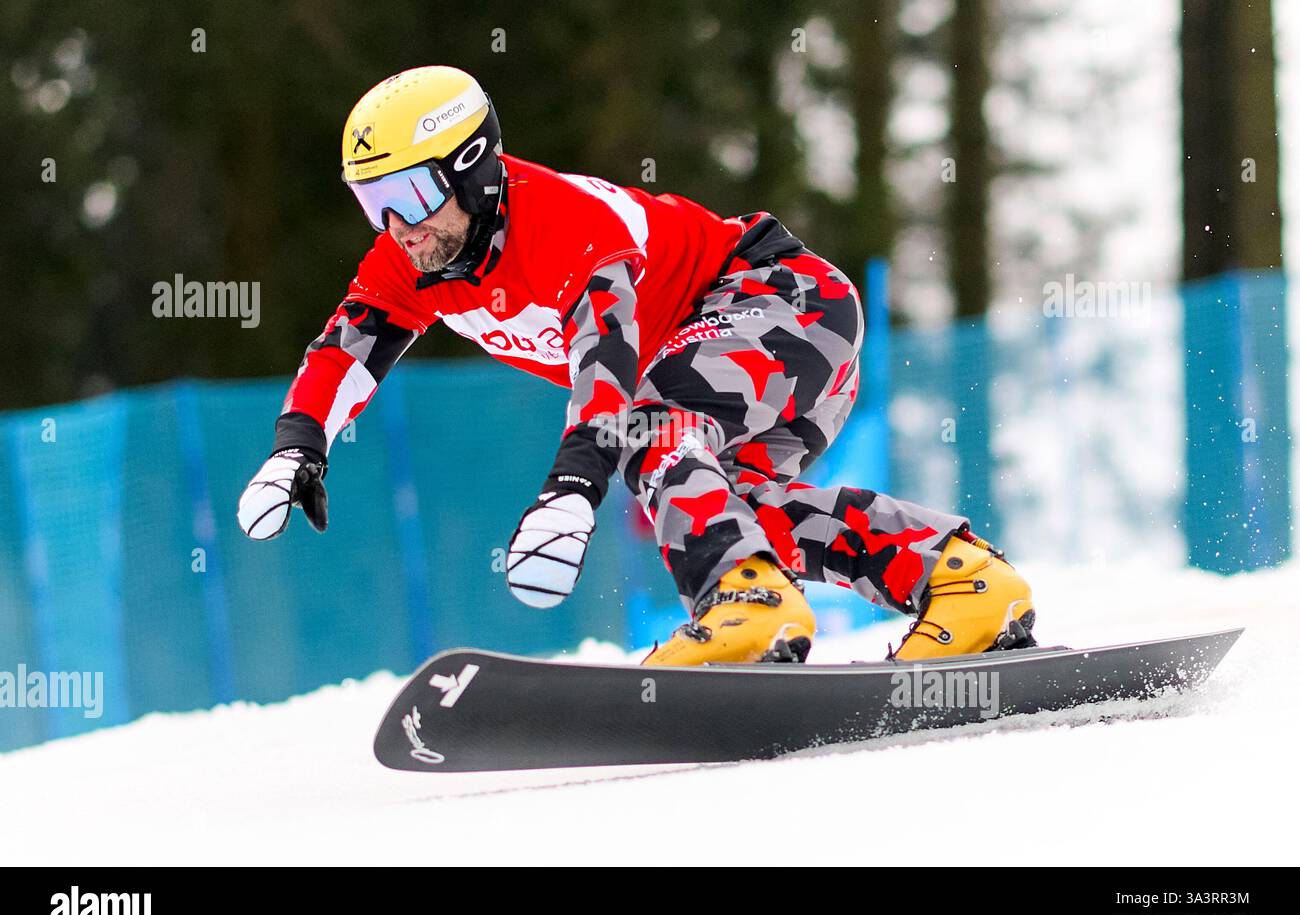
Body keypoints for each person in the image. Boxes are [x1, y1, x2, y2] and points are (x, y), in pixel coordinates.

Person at [236, 66, 1035, 665]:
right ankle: (957, 577)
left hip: (782, 302)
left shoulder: (567, 226)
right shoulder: (410, 258)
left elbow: (608, 366)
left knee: (653, 427)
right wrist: (298, 442)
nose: (397, 227)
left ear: (473, 167)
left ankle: (745, 604)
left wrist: (572, 485)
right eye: (372, 203)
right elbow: (350, 343)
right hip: (740, 349)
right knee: (731, 509)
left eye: (410, 194)